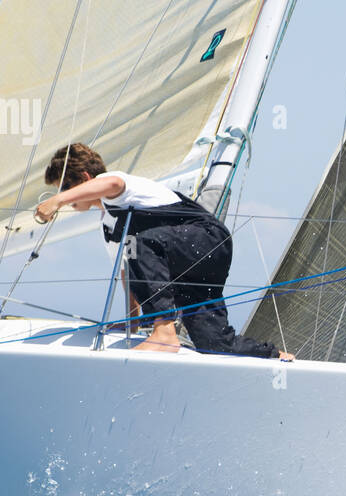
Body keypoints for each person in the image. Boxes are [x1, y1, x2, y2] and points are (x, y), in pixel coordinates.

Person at [36, 143, 294, 360]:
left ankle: (164, 334)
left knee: (139, 242)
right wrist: (132, 321)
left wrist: (56, 201)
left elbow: (113, 183)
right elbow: (131, 272)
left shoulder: (114, 186)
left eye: (64, 188)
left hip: (206, 240)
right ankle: (275, 356)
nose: (65, 198)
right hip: (186, 265)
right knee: (214, 344)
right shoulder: (109, 224)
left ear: (84, 179)